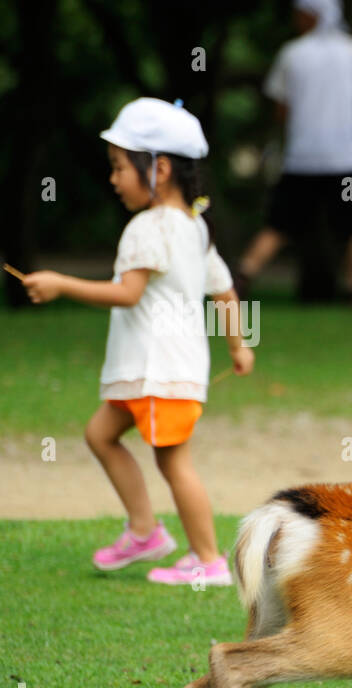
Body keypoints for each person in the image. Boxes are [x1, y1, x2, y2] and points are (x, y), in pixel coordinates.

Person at [22, 98, 254, 585]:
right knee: (100, 435)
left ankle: (209, 561)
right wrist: (238, 347)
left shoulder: (147, 228)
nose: (113, 179)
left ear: (161, 168)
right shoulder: (196, 228)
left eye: (120, 167)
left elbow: (128, 294)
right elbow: (227, 294)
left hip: (158, 372)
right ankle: (146, 531)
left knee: (174, 461)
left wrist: (62, 285)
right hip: (155, 372)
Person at [237, 0, 352, 301]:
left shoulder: (292, 54)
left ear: (313, 15)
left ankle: (243, 275)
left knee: (280, 222)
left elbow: (281, 109)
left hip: (302, 159)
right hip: (347, 159)